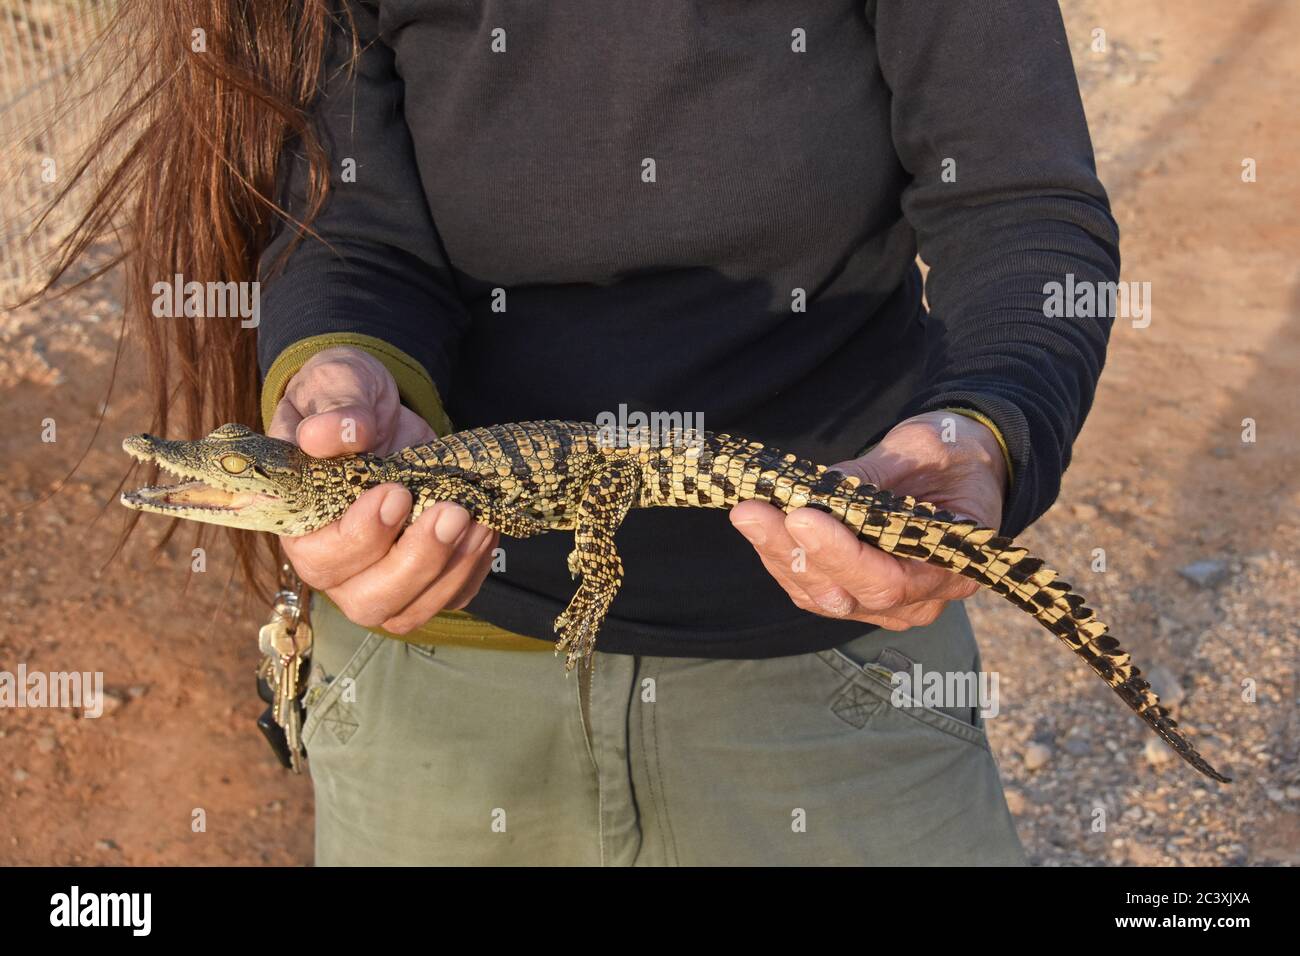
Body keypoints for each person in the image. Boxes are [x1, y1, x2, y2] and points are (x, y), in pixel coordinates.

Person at [57, 0, 1119, 865]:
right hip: (436, 681)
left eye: (234, 463)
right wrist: (345, 363)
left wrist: (982, 424)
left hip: (835, 647)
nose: (199, 466)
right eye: (241, 464)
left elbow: (1016, 197)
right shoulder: (344, 475)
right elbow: (344, 215)